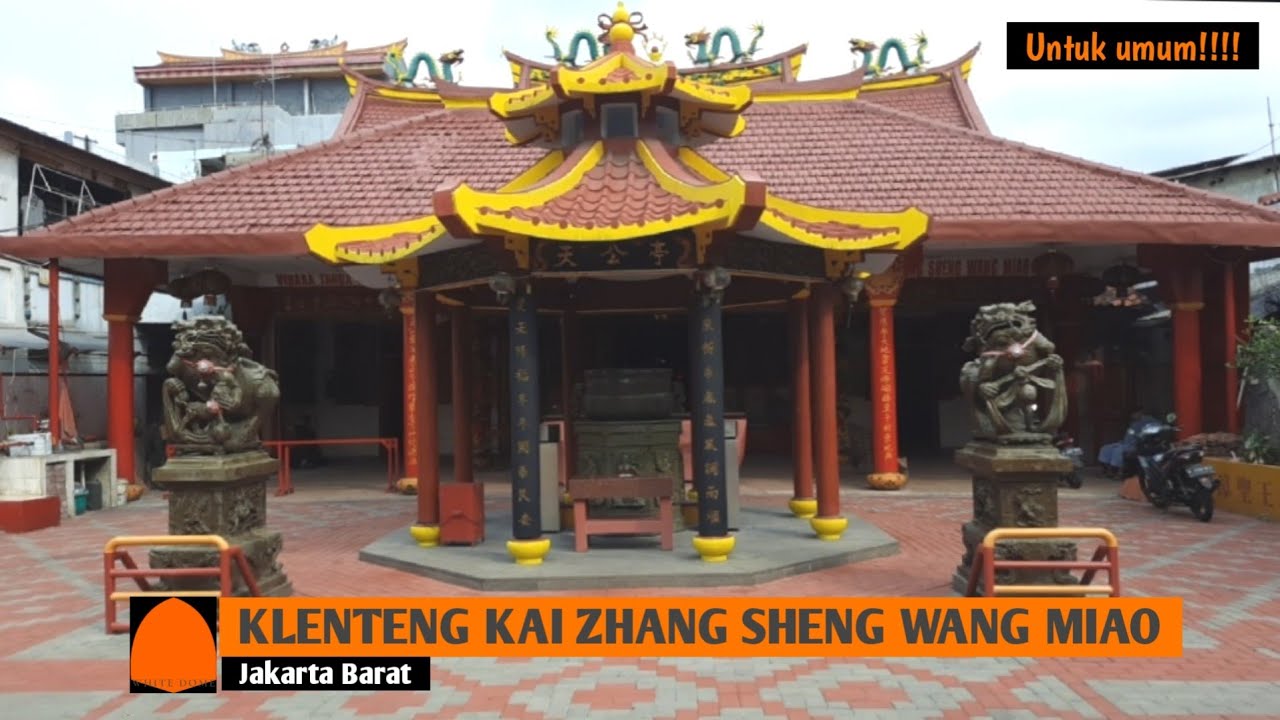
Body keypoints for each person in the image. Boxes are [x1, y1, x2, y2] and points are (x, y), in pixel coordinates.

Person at [1098, 408, 1157, 478]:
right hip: (1125, 443)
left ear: (1140, 413)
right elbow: (1129, 435)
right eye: (1132, 415)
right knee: (1105, 448)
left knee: (1118, 451)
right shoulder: (1133, 422)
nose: (1133, 416)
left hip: (1137, 444)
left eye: (1134, 414)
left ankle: (1119, 472)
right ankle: (1106, 470)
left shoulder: (1149, 420)